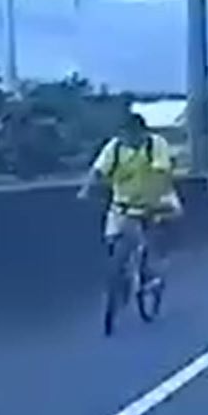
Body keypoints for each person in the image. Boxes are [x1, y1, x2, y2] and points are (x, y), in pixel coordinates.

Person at [79, 109, 183, 314]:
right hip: (123, 204)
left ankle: (154, 268)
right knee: (115, 241)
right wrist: (86, 189)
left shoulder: (156, 145)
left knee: (156, 231)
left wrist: (155, 202)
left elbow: (161, 174)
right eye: (126, 135)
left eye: (134, 135)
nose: (130, 139)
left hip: (155, 198)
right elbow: (98, 171)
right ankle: (120, 279)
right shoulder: (115, 148)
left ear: (143, 132)